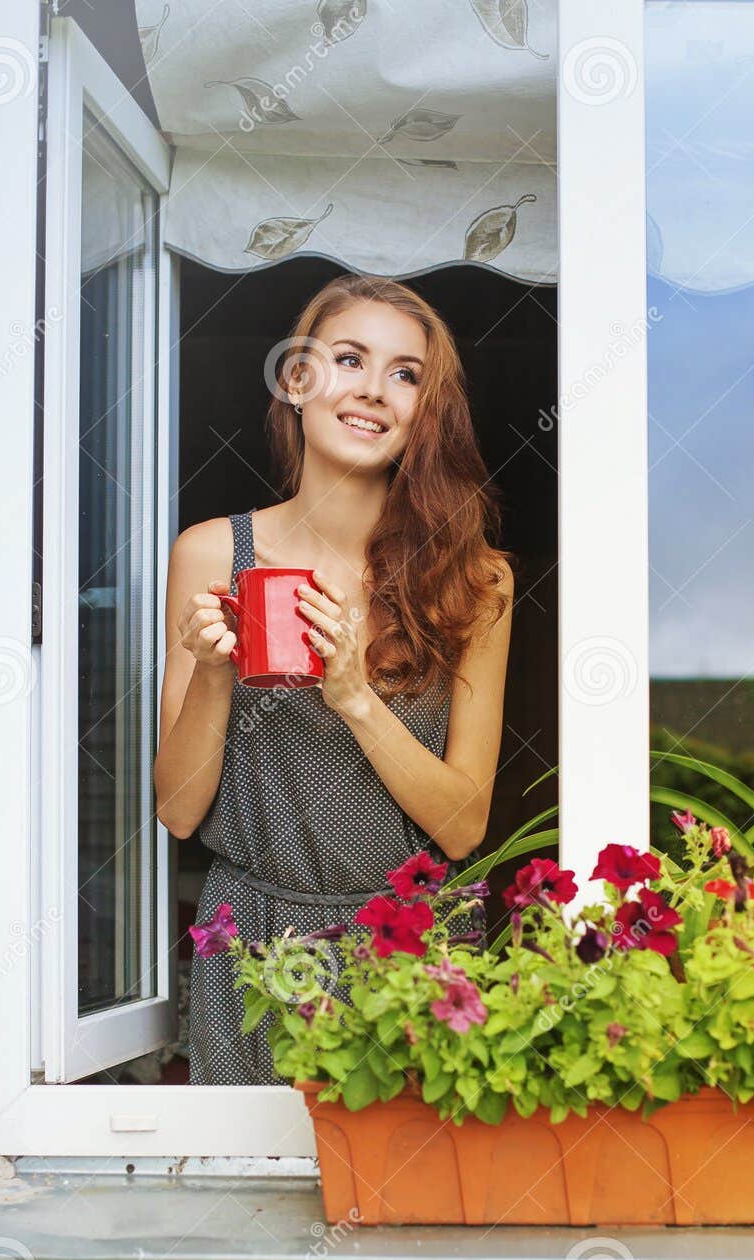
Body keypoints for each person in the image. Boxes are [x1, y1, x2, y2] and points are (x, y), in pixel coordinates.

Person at [154, 274, 514, 1084]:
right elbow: (177, 812)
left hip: (410, 946)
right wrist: (214, 674)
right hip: (252, 937)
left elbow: (463, 828)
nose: (374, 391)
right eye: (348, 359)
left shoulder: (474, 579)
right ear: (295, 380)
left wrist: (352, 696)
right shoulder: (214, 554)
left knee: (401, 1199)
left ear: (427, 411)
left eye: (405, 374)